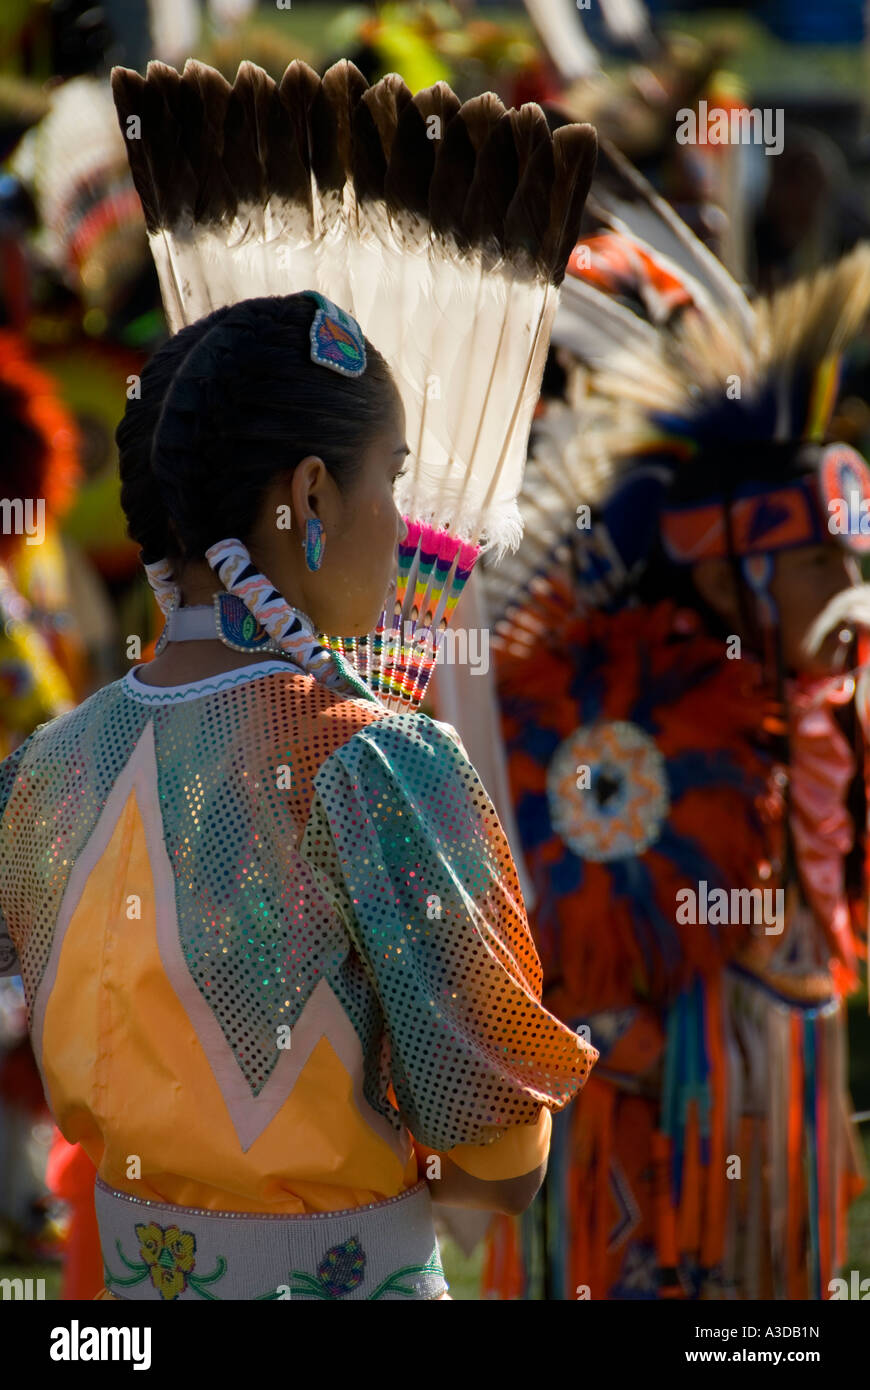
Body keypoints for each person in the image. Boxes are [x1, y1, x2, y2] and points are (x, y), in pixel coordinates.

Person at [0, 290, 597, 1301]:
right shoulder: (378, 764)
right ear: (311, 496)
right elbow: (499, 1157)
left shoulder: (42, 771)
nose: (404, 527)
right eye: (394, 480)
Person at [476, 222, 870, 1300]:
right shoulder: (610, 707)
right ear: (721, 569)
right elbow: (562, 940)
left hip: (779, 1081)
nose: (848, 586)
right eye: (814, 559)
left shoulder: (833, 708)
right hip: (645, 1115)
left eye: (855, 553)